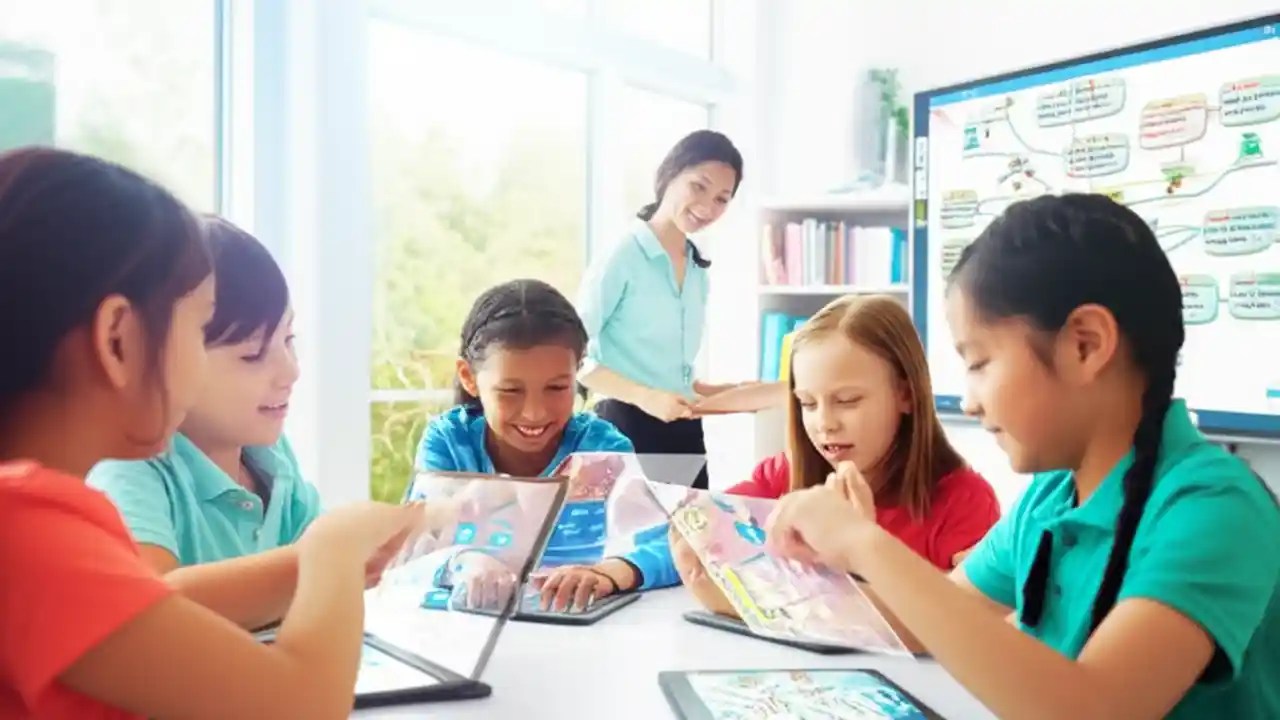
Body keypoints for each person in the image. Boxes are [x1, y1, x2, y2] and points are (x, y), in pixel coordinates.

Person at [767, 195, 1280, 719]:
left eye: (980, 362)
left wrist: (863, 543)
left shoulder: (1215, 506)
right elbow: (925, 621)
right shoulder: (1050, 498)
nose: (969, 401)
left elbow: (1093, 709)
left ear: (1085, 345)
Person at [0, 147, 418, 719]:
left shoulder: (44, 520)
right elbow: (303, 706)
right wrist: (333, 548)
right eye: (200, 329)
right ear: (118, 339)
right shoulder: (26, 538)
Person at [660, 295, 1001, 616]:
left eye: (848, 400)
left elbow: (967, 621)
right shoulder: (783, 474)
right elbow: (705, 525)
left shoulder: (965, 502)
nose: (824, 423)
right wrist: (694, 540)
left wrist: (862, 553)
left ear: (906, 396)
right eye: (807, 404)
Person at [88, 217, 320, 574]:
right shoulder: (132, 469)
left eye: (288, 340)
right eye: (252, 354)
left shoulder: (271, 459)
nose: (291, 372)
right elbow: (154, 603)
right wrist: (326, 561)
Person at [417, 279, 649, 605]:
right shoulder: (449, 442)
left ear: (577, 373)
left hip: (579, 628)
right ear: (469, 377)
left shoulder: (602, 449)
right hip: (471, 633)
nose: (535, 413)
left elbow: (666, 542)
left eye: (556, 388)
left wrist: (609, 572)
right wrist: (463, 560)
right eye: (510, 391)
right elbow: (415, 546)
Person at [576, 130, 780, 492]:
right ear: (670, 174)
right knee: (634, 542)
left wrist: (728, 390)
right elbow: (573, 359)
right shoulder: (622, 256)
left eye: (722, 199)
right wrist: (646, 397)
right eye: (699, 187)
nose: (708, 207)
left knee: (693, 539)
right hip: (624, 426)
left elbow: (672, 376)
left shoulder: (696, 268)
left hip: (682, 428)